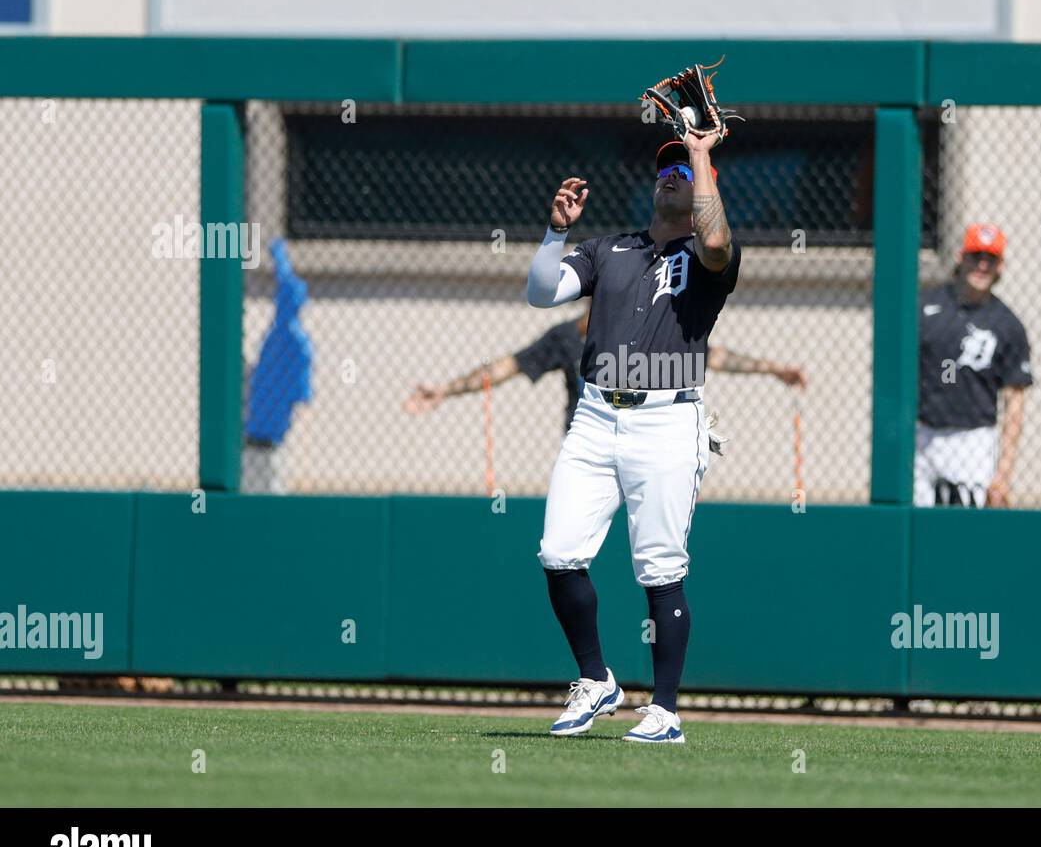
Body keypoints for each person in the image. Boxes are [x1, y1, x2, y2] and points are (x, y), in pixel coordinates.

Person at [523, 129, 737, 744]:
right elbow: (541, 293)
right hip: (595, 414)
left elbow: (717, 240)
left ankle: (665, 709)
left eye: (684, 171)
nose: (671, 175)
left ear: (702, 188)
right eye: (665, 168)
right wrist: (555, 230)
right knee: (559, 550)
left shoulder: (708, 255)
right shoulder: (607, 248)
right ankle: (597, 680)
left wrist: (700, 154)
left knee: (660, 567)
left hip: (669, 417)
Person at [403, 300, 807, 433]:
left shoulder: (648, 332)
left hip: (642, 441)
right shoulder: (566, 337)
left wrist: (774, 369)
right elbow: (506, 367)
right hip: (588, 445)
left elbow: (713, 356)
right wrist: (445, 390)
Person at [915, 223, 1032, 508]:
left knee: (966, 526)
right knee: (916, 525)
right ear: (960, 258)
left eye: (990, 259)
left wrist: (1003, 474)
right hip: (922, 433)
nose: (982, 265)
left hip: (974, 439)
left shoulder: (1007, 325)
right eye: (976, 256)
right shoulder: (924, 307)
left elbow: (1015, 401)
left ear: (1001, 266)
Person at [243, 237, 313, 494]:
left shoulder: (289, 339)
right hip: (260, 429)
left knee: (268, 484)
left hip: (271, 432)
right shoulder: (282, 337)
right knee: (260, 483)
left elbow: (301, 391)